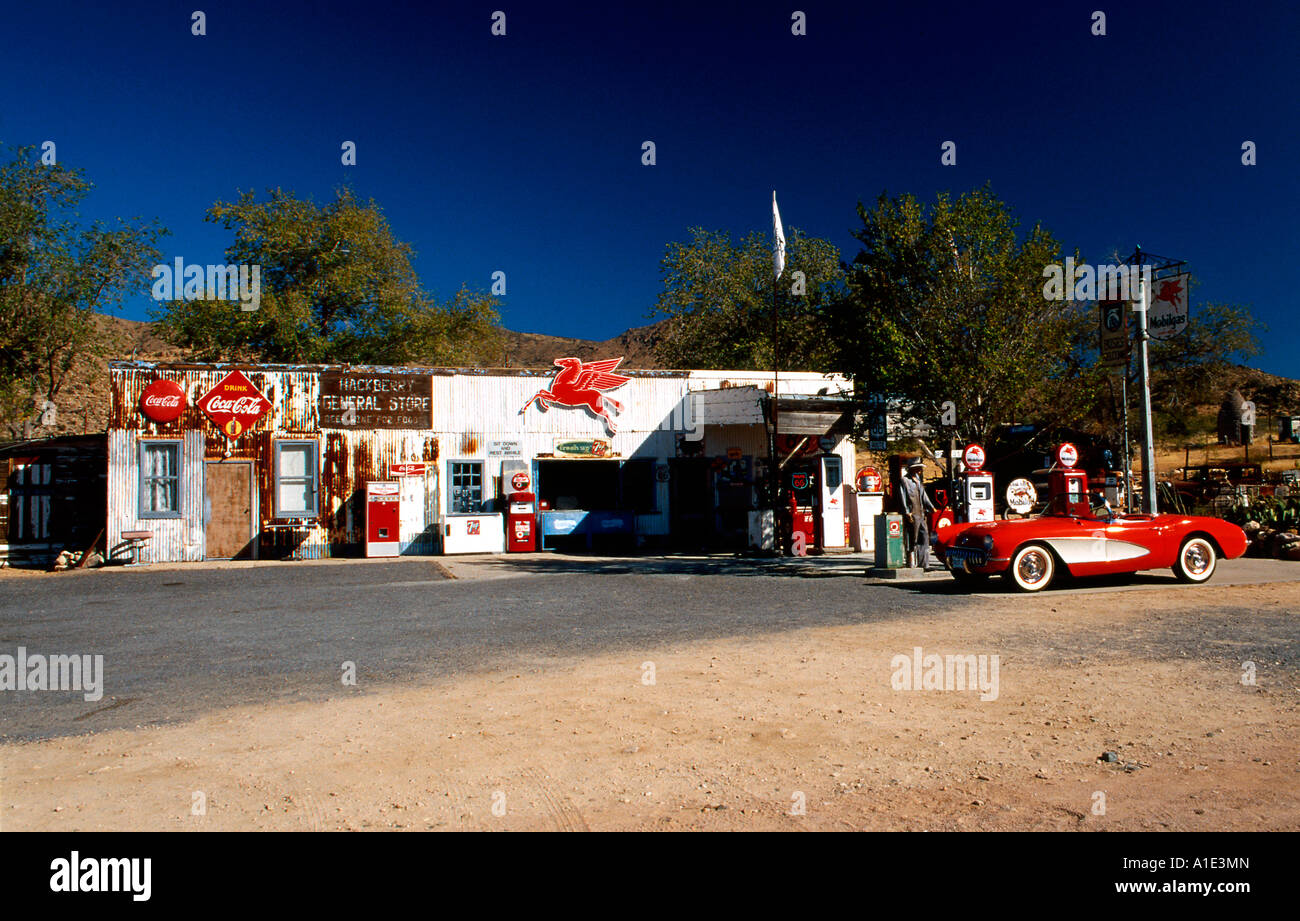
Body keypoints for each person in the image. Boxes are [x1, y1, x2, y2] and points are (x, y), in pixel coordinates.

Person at [899, 458, 936, 568]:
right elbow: (902, 497)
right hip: (912, 513)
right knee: (912, 539)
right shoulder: (904, 481)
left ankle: (924, 564)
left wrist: (931, 507)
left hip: (921, 513)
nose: (920, 470)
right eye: (918, 468)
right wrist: (906, 512)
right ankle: (910, 562)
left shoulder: (918, 480)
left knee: (924, 537)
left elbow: (924, 496)